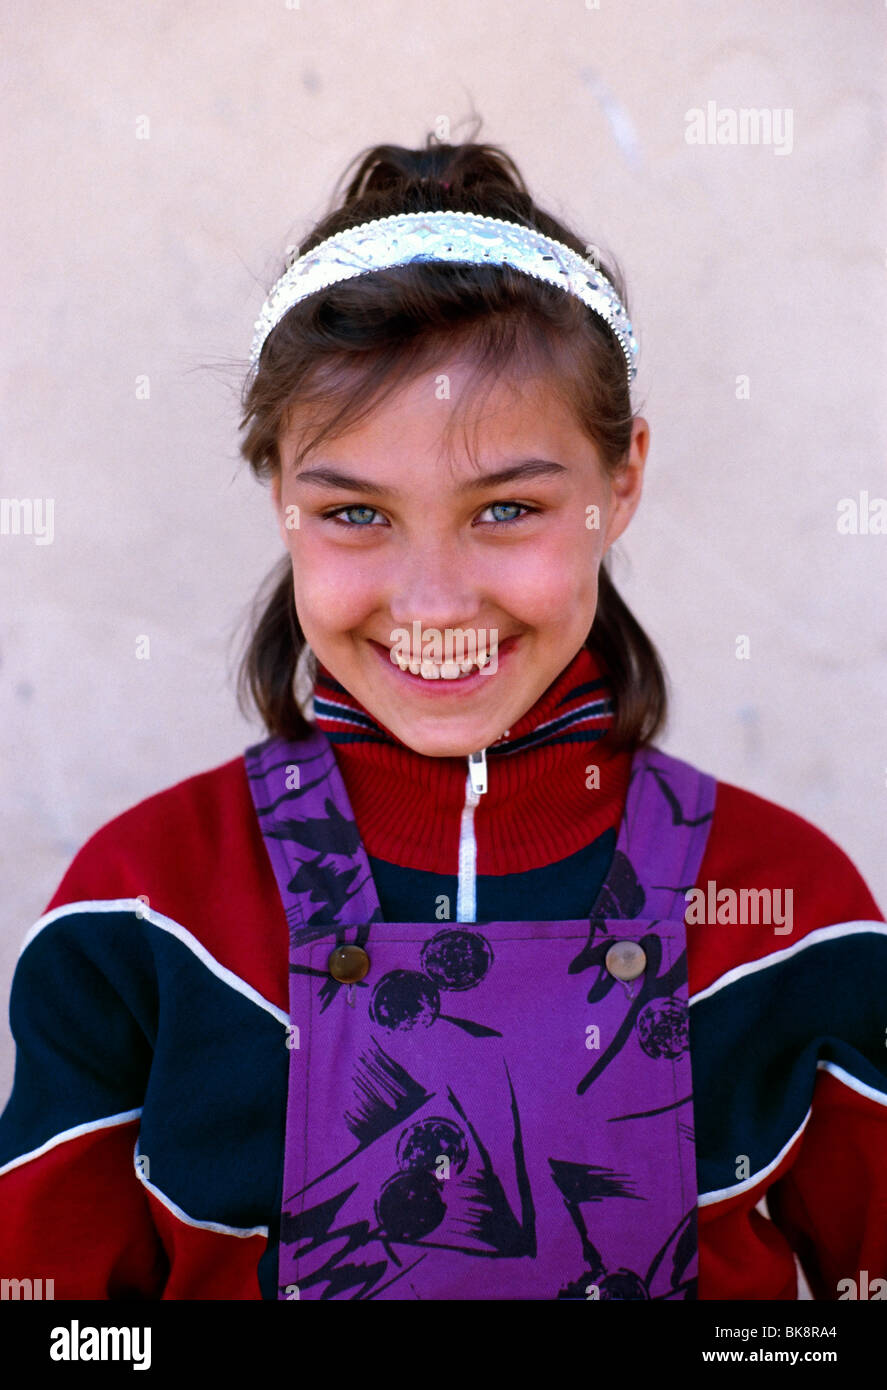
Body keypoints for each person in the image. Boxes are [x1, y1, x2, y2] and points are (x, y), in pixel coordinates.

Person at [1, 135, 884, 1303]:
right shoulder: (145, 912)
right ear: (278, 495)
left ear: (621, 482)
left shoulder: (788, 910)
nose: (431, 597)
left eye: (506, 506)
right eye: (356, 512)